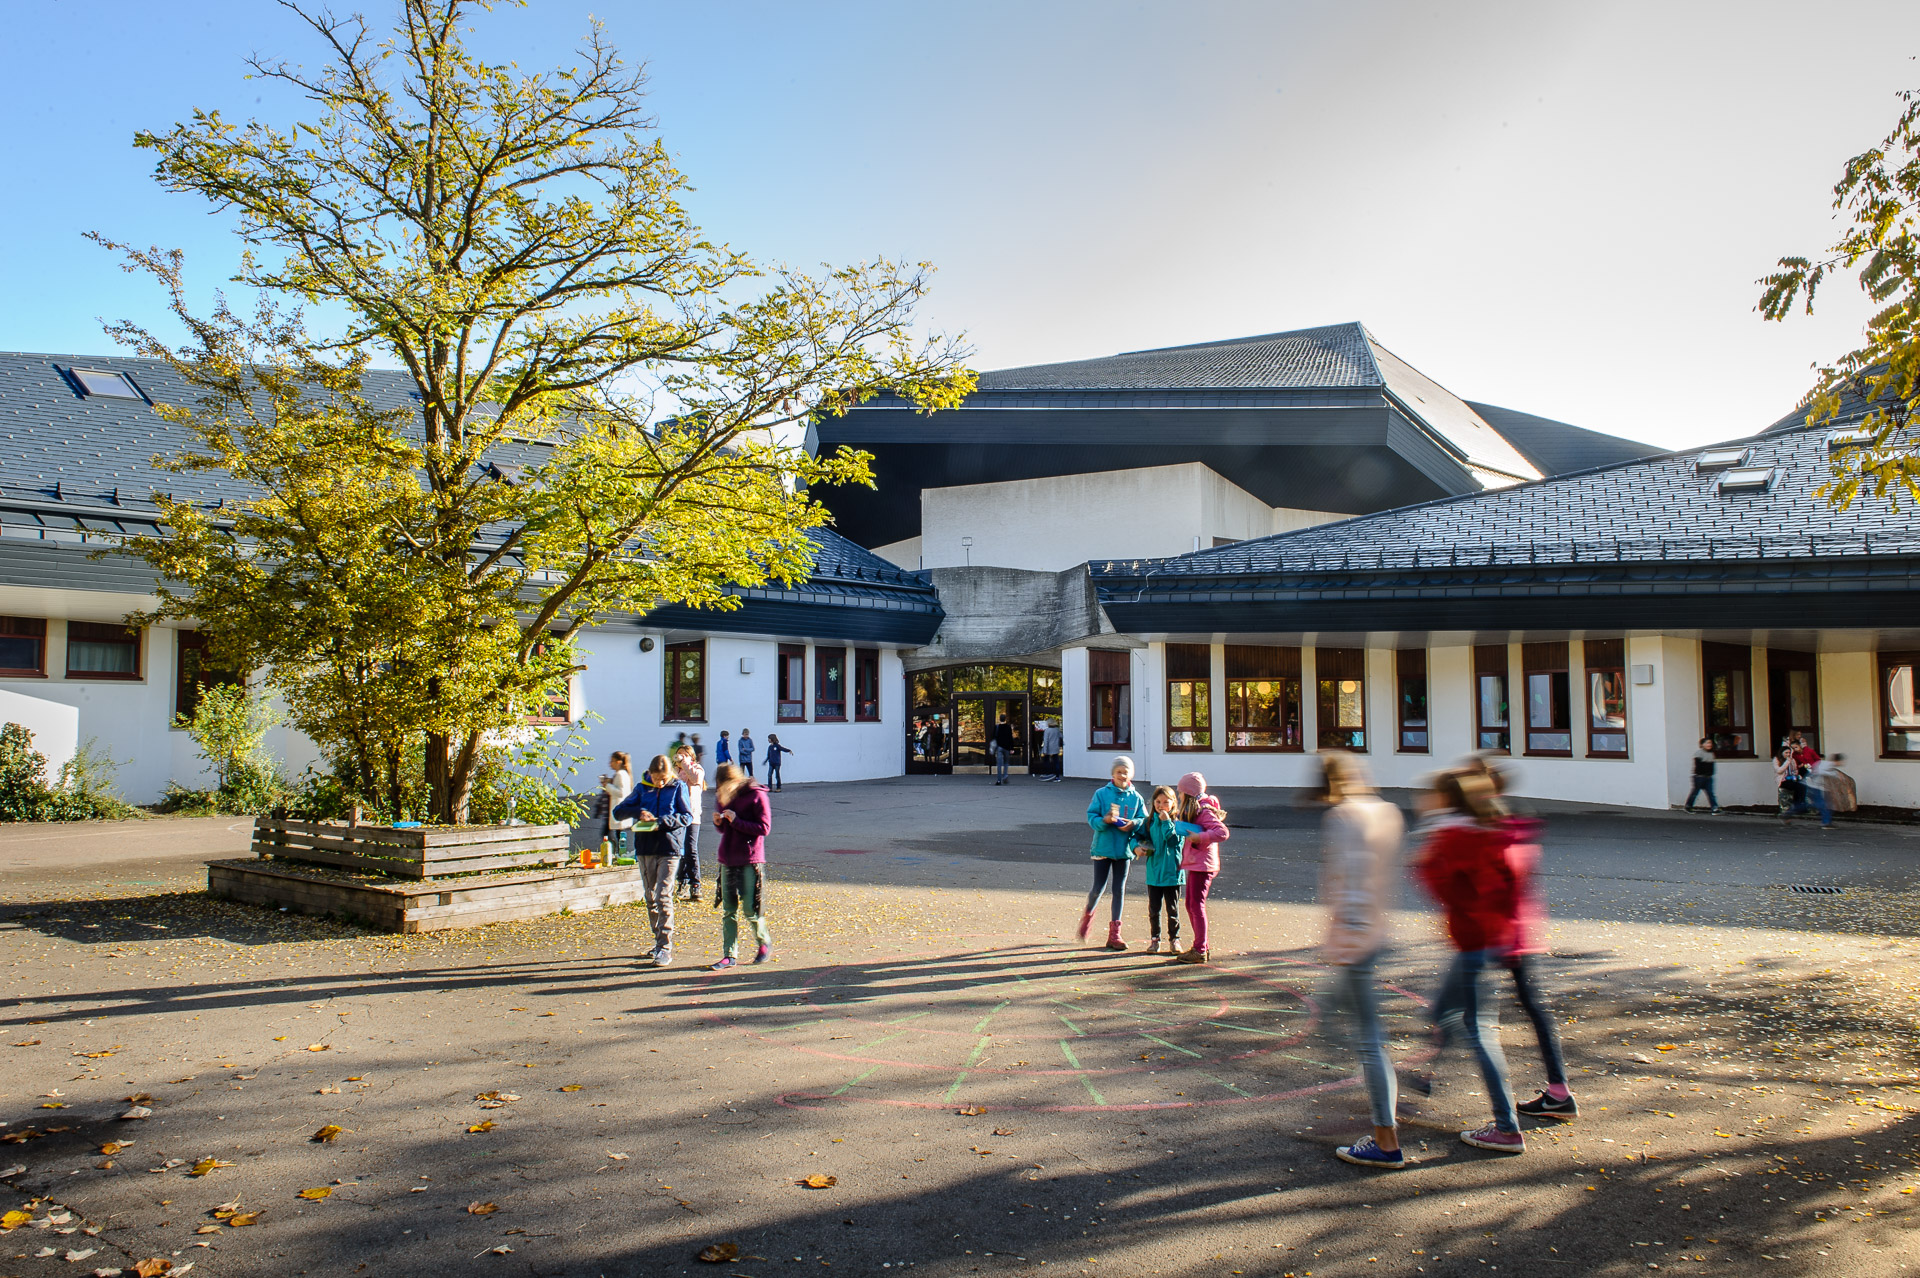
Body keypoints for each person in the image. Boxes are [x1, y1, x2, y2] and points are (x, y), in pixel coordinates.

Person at [1412, 768, 1526, 1154]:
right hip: (1487, 939)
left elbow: (1439, 884)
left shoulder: (1456, 836)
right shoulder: (1491, 830)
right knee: (1445, 1010)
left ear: (1449, 799)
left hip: (1475, 942)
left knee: (1478, 1031)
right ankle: (1423, 1075)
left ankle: (1507, 1126)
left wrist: (1428, 858)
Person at [1314, 753, 1408, 1170]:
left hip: (1357, 934)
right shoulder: (1387, 812)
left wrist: (1345, 935)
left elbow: (1347, 878)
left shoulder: (1346, 817)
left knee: (1367, 1040)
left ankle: (1386, 1139)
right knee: (1355, 1029)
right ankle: (1382, 1122)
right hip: (1375, 931)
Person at [612, 753, 692, 967]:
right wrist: (639, 812)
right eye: (657, 779)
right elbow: (618, 812)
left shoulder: (677, 787)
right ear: (651, 775)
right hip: (645, 847)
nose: (660, 783)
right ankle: (658, 942)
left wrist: (662, 821)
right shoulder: (641, 788)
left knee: (663, 895)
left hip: (670, 847)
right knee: (650, 897)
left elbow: (687, 817)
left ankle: (665, 947)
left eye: (664, 778)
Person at [709, 763, 774, 970]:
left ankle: (763, 942)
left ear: (735, 781)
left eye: (725, 788)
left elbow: (764, 828)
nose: (722, 794)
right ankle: (729, 954)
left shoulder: (756, 795)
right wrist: (719, 823)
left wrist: (736, 821)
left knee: (750, 908)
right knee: (729, 910)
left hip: (750, 858)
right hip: (727, 858)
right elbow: (723, 831)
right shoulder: (723, 796)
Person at [1080, 757, 1148, 949]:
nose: (1122, 775)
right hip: (1103, 848)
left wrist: (1133, 824)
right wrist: (1105, 820)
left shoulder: (1136, 797)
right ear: (1112, 774)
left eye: (1126, 772)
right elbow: (1091, 817)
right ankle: (1088, 916)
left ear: (1131, 774)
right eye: (1119, 771)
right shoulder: (1101, 794)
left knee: (1119, 889)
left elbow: (1143, 819)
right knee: (1098, 888)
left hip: (1124, 851)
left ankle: (1115, 934)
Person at [1173, 772, 1230, 964]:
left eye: (1180, 793)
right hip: (1197, 863)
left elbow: (1222, 832)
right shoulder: (1196, 810)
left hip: (1203, 865)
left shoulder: (1204, 810)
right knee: (1191, 903)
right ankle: (1200, 945)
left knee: (1196, 905)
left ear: (1188, 794)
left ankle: (1200, 949)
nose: (1179, 796)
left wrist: (1200, 837)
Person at [1131, 785, 1186, 954]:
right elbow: (1135, 837)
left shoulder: (1178, 822)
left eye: (1165, 802)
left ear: (1173, 803)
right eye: (1158, 802)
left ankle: (1174, 939)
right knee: (1154, 910)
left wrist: (1166, 822)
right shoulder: (1149, 822)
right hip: (1154, 874)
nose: (1161, 805)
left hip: (1173, 874)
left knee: (1173, 910)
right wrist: (1136, 848)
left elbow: (1173, 841)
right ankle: (1155, 939)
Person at [672, 744, 707, 900]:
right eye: (679, 754)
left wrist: (685, 764)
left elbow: (695, 779)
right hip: (678, 815)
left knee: (691, 849)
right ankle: (683, 881)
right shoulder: (675, 772)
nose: (681, 757)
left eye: (685, 755)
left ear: (691, 757)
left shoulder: (697, 769)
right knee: (680, 850)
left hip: (692, 815)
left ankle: (695, 883)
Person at [599, 751, 634, 857]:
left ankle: (616, 853)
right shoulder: (623, 774)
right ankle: (618, 853)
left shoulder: (620, 774)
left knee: (614, 833)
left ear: (619, 762)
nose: (610, 763)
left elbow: (620, 792)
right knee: (617, 833)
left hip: (618, 807)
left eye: (612, 761)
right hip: (620, 808)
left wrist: (607, 785)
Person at [1808, 751, 1847, 829]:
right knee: (1823, 804)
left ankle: (1827, 821)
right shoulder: (1825, 764)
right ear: (1837, 761)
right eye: (1841, 761)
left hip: (1821, 787)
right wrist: (1835, 774)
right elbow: (1819, 772)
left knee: (1828, 803)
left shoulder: (1829, 766)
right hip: (1814, 786)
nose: (1842, 763)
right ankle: (1826, 823)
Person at [1684, 737, 1720, 813]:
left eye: (1710, 743)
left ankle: (1714, 808)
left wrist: (1710, 774)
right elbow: (1698, 766)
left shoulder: (1711, 754)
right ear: (1702, 744)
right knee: (1695, 792)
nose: (1709, 744)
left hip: (1708, 777)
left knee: (1710, 793)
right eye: (1707, 743)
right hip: (1699, 777)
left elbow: (1712, 766)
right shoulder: (1699, 753)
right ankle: (1688, 806)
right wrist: (1701, 773)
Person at [992, 714, 1014, 785]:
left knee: (999, 764)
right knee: (1006, 762)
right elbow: (1010, 738)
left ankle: (998, 780)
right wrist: (1011, 748)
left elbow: (993, 737)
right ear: (1005, 719)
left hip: (999, 747)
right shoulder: (1008, 727)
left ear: (999, 719)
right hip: (1007, 748)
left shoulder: (997, 727)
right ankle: (1005, 775)